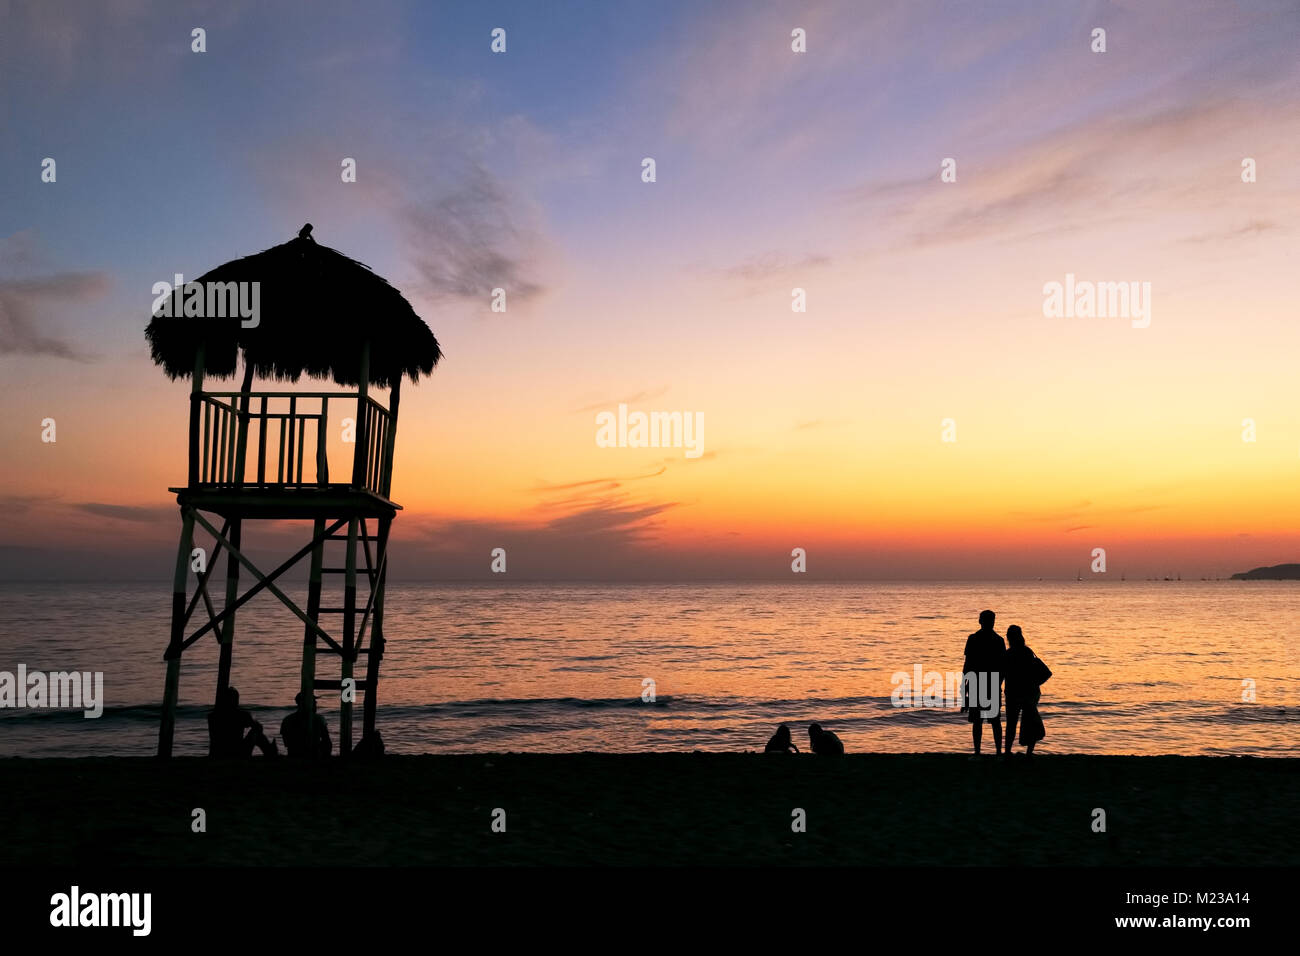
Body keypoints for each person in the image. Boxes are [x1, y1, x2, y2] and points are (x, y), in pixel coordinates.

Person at [962, 609, 1005, 756]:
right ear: (993, 622)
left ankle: (978, 753)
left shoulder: (973, 639)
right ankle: (998, 753)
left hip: (977, 683)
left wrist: (965, 691)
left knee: (978, 721)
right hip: (992, 682)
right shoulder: (998, 640)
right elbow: (1002, 667)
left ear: (980, 621)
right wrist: (998, 684)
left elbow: (967, 666)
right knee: (994, 721)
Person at [1003, 625, 1047, 757]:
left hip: (1013, 692)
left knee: (1011, 724)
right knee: (1030, 721)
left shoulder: (1008, 654)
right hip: (1029, 691)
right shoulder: (1027, 652)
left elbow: (1003, 673)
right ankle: (1029, 753)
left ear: (1009, 638)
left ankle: (1007, 752)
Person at [207, 686, 275, 757]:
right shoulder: (241, 715)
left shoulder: (212, 716)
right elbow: (258, 728)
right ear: (236, 700)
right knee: (256, 733)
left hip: (217, 753)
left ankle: (270, 751)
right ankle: (270, 753)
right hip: (238, 752)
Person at [280, 691, 332, 758]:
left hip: (293, 754)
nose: (316, 703)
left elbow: (286, 743)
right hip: (314, 754)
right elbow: (327, 740)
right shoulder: (318, 719)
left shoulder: (287, 720)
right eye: (313, 701)